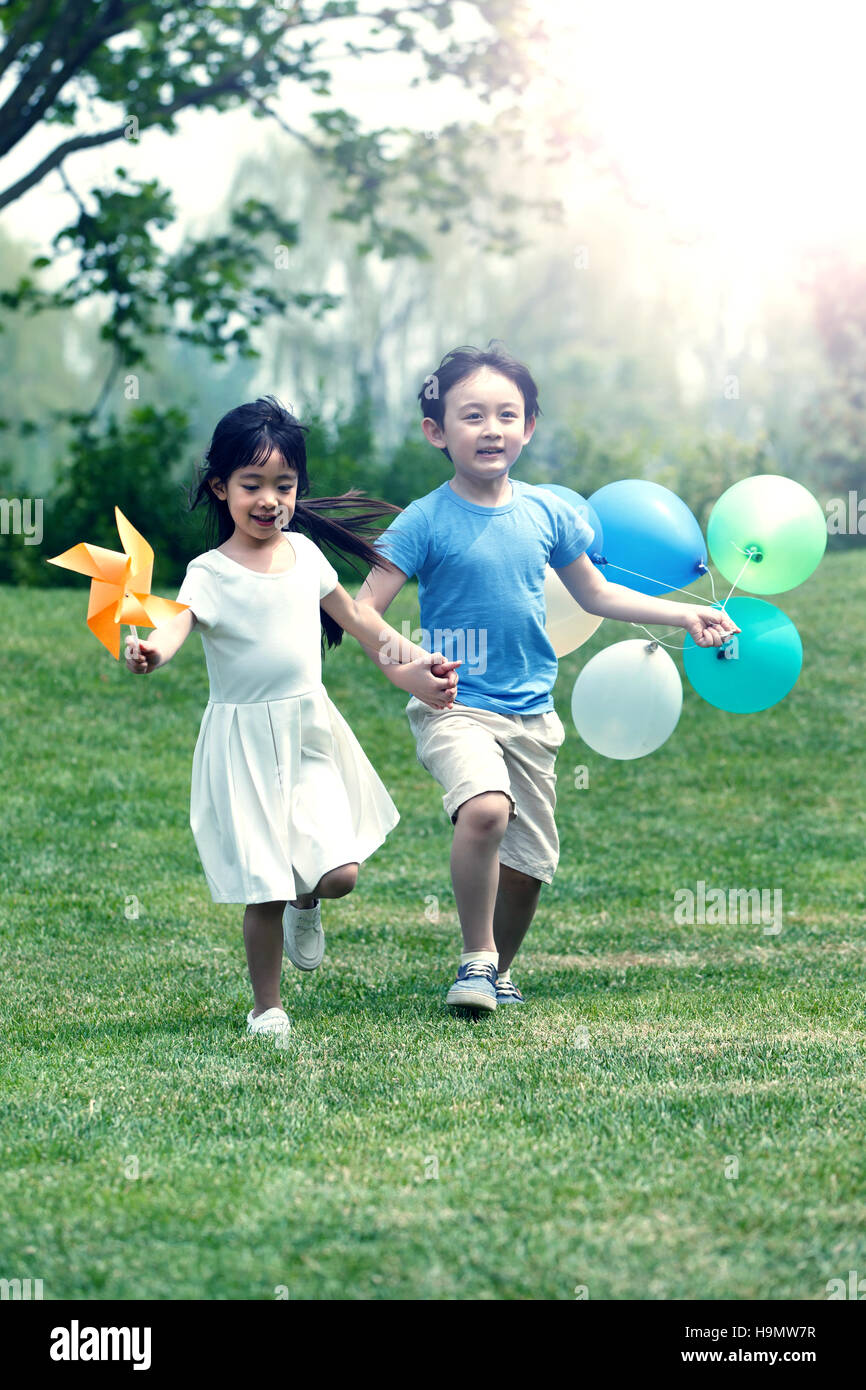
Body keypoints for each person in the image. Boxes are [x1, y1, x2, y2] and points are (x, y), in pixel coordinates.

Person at [355, 344, 740, 1014]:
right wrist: (408, 670)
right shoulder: (423, 521)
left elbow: (598, 595)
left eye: (508, 414)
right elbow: (363, 612)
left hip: (531, 713)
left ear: (529, 427)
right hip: (456, 705)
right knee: (484, 810)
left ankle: (498, 970)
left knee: (529, 865)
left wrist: (686, 614)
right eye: (472, 415)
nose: (492, 428)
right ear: (436, 431)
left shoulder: (548, 514)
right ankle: (474, 962)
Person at [125, 396, 459, 1038]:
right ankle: (267, 1007)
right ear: (221, 487)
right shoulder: (208, 573)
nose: (269, 499)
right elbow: (175, 624)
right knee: (264, 882)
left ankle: (309, 902)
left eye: (284, 484)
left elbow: (361, 621)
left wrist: (415, 663)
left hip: (307, 732)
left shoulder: (306, 555)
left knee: (338, 875)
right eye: (252, 484)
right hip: (243, 741)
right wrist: (151, 652)